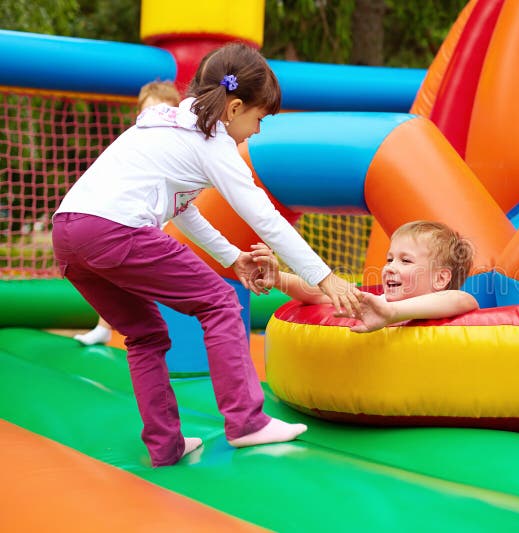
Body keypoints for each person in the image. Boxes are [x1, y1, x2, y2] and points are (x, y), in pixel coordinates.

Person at [51, 43, 362, 467]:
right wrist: (325, 277)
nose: (256, 131)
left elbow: (183, 207)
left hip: (68, 231)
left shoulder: (167, 122)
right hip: (115, 229)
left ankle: (165, 444)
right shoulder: (211, 143)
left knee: (145, 334)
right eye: (258, 119)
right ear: (234, 108)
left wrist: (233, 257)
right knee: (218, 302)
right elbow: (266, 218)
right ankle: (247, 421)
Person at [74, 81, 183, 347]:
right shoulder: (132, 145)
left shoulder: (179, 147)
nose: (155, 119)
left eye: (163, 112)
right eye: (148, 112)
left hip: (171, 221)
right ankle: (104, 325)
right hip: (136, 221)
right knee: (114, 268)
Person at [252, 220, 479, 332]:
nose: (390, 267)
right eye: (390, 259)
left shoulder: (448, 305)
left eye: (406, 260)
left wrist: (392, 314)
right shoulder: (379, 303)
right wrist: (279, 278)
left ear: (440, 279)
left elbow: (463, 299)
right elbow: (320, 295)